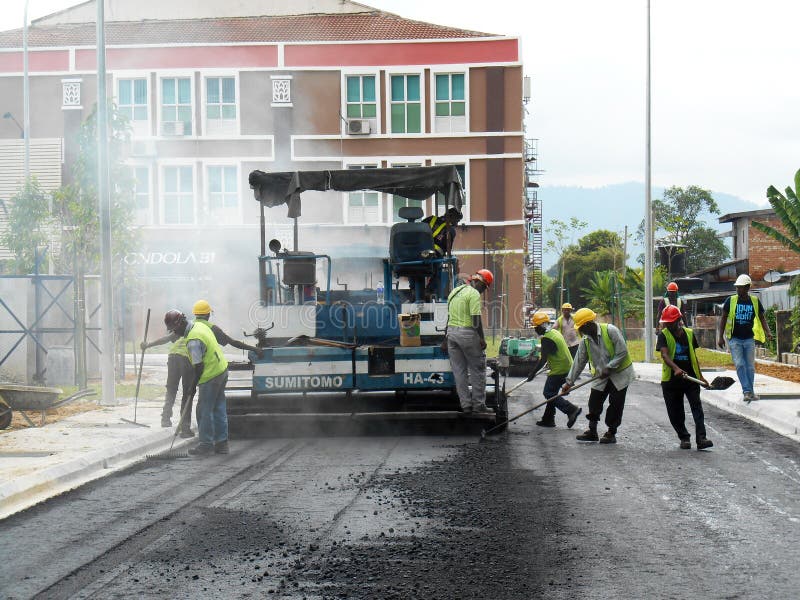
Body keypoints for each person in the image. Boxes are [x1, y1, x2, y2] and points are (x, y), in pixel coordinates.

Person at [561, 308, 635, 444]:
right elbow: (579, 362)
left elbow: (622, 351)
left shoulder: (610, 330)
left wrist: (609, 367)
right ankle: (592, 431)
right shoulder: (585, 341)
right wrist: (568, 383)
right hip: (602, 375)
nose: (580, 331)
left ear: (589, 324)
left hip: (620, 374)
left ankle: (611, 433)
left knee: (616, 404)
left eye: (581, 327)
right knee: (594, 401)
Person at [164, 309, 230, 456]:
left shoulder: (193, 341)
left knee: (203, 409)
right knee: (218, 408)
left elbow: (198, 367)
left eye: (175, 330)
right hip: (222, 370)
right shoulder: (198, 326)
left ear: (180, 324)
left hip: (211, 374)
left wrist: (192, 388)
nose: (175, 334)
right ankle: (222, 444)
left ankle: (206, 444)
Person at [657, 305, 713, 450]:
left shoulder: (689, 333)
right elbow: (664, 355)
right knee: (675, 411)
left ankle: (701, 438)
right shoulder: (663, 335)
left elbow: (693, 356)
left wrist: (701, 377)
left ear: (678, 320)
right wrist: (676, 368)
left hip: (690, 378)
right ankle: (684, 437)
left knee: (697, 408)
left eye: (670, 322)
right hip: (671, 380)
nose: (667, 325)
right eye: (666, 323)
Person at [717, 274, 772, 402]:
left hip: (749, 339)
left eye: (741, 287)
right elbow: (723, 318)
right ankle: (747, 391)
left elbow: (762, 317)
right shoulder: (730, 301)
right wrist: (720, 337)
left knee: (750, 367)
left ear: (747, 287)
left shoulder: (754, 301)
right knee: (740, 364)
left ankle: (750, 392)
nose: (738, 290)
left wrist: (768, 332)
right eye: (737, 287)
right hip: (734, 339)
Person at [446, 268, 492, 414]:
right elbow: (475, 319)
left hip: (451, 334)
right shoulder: (473, 294)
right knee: (477, 369)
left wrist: (444, 338)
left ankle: (465, 406)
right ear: (478, 281)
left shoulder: (454, 292)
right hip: (467, 333)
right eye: (484, 286)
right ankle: (478, 406)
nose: (483, 290)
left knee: (459, 372)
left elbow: (449, 317)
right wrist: (482, 339)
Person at [526, 311, 582, 428]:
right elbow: (553, 352)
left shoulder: (546, 339)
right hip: (567, 366)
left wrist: (532, 373)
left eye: (536, 327)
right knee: (553, 394)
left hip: (559, 369)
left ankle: (571, 409)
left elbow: (543, 360)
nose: (535, 330)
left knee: (548, 393)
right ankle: (548, 419)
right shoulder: (554, 333)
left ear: (542, 326)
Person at [141, 329, 196, 437]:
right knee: (187, 393)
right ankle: (185, 427)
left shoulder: (183, 330)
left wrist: (148, 345)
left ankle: (165, 419)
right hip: (187, 359)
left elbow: (165, 339)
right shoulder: (197, 331)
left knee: (171, 390)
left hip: (173, 357)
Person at [191, 299, 263, 358]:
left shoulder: (189, 326)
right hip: (206, 368)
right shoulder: (213, 329)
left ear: (195, 313)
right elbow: (233, 343)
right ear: (208, 314)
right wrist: (254, 349)